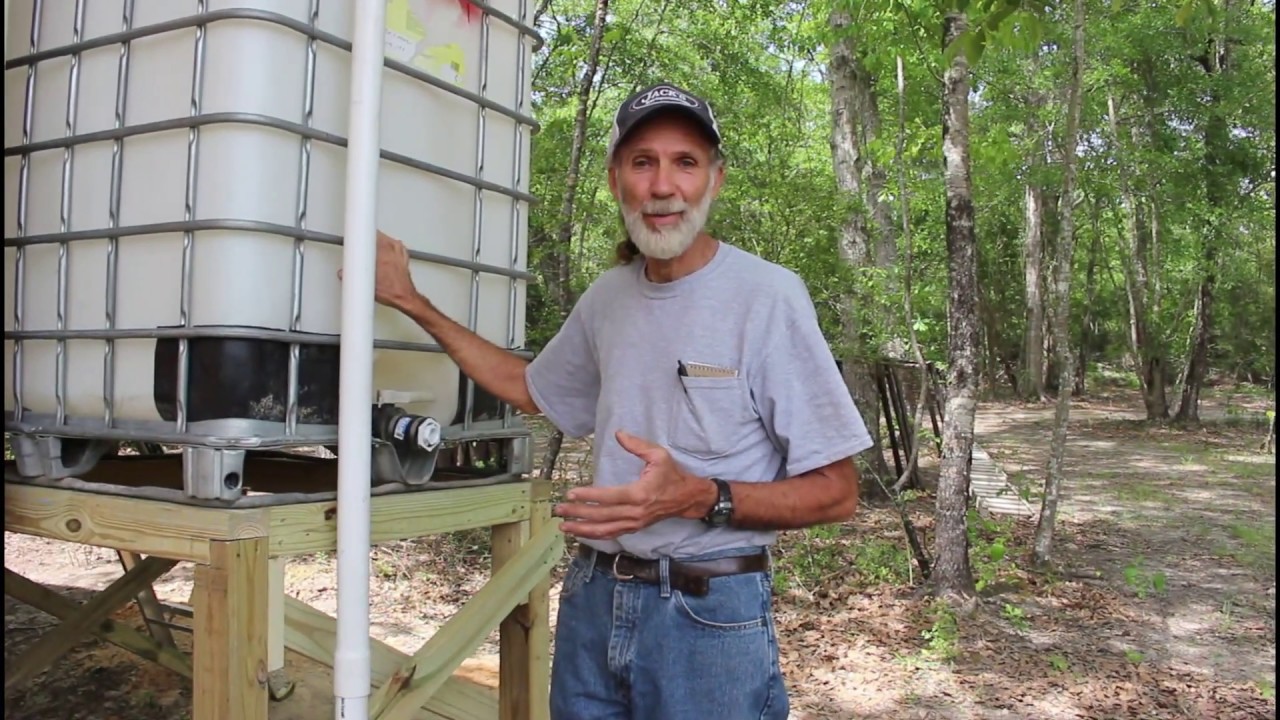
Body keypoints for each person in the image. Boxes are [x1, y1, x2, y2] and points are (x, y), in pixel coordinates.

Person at [363, 83, 874, 720]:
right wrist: (411, 302)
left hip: (707, 613)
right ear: (615, 181)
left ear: (714, 180)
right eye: (642, 162)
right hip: (592, 599)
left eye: (685, 163)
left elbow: (837, 490)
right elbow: (530, 388)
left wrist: (698, 496)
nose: (663, 186)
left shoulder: (767, 297)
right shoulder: (608, 298)